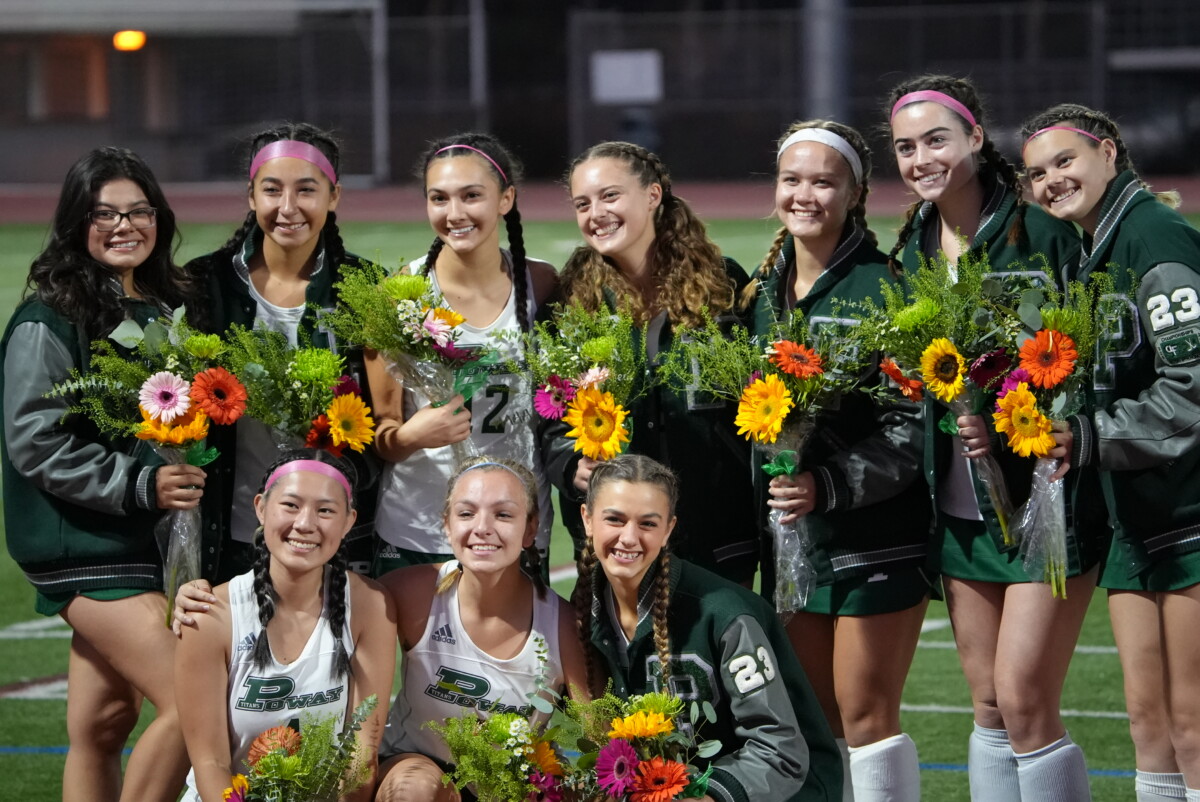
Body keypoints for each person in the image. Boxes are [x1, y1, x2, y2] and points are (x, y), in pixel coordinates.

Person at [885, 75, 1102, 800]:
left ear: (976, 137)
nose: (921, 158)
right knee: (987, 704)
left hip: (1043, 497)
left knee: (1024, 698)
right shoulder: (911, 248)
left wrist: (1020, 419)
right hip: (957, 509)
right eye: (906, 147)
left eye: (936, 140)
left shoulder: (1042, 234)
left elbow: (1083, 358)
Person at [0, 147, 201, 802]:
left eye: (139, 211)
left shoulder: (162, 308)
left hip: (140, 541)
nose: (124, 226)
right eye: (103, 214)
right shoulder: (49, 318)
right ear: (75, 223)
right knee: (194, 700)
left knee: (104, 724)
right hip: (85, 544)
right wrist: (140, 485)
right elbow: (35, 441)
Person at [744, 120, 932, 801]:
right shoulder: (759, 293)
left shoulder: (890, 287)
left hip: (875, 535)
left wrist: (826, 485)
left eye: (824, 182)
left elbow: (912, 430)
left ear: (855, 194)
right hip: (793, 543)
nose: (805, 195)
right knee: (814, 721)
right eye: (791, 180)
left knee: (866, 717)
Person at [1021, 104, 1200, 802]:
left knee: (1193, 726)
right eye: (1037, 173)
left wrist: (1090, 435)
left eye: (1065, 161)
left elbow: (1192, 386)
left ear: (1109, 153)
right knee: (1150, 727)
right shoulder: (1091, 250)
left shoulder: (1154, 237)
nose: (1052, 181)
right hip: (1134, 511)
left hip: (1188, 508)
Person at [573, 453, 844, 801]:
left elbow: (779, 750)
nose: (629, 538)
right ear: (587, 519)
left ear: (669, 529)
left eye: (648, 524)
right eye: (614, 519)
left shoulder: (725, 615)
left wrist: (705, 797)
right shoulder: (584, 608)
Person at [547, 141, 758, 584]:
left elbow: (759, 394)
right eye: (582, 204)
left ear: (652, 195)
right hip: (616, 542)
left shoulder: (722, 283)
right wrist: (569, 465)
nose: (595, 214)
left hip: (716, 535)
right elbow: (547, 409)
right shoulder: (572, 300)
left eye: (610, 196)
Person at [187, 121, 378, 582]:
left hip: (327, 534)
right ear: (252, 196)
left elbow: (382, 417)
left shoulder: (364, 286)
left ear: (333, 196)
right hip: (230, 530)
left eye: (306, 190)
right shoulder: (204, 283)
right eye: (272, 190)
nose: (288, 207)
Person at [366, 132, 558, 573]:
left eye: (471, 196)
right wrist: (411, 436)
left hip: (514, 525)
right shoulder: (397, 295)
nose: (454, 214)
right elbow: (382, 435)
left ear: (506, 198)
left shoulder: (542, 284)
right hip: (419, 528)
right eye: (439, 198)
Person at [175, 449, 396, 802]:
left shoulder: (370, 605)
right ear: (261, 508)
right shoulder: (210, 614)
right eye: (291, 505)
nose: (305, 523)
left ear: (349, 521)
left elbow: (361, 756)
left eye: (325, 510)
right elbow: (210, 763)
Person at [373, 456, 588, 802]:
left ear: (530, 529)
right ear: (446, 524)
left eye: (503, 515)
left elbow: (601, 739)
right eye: (466, 513)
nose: (482, 527)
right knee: (415, 788)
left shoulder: (562, 625)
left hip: (509, 785)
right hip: (418, 767)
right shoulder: (411, 592)